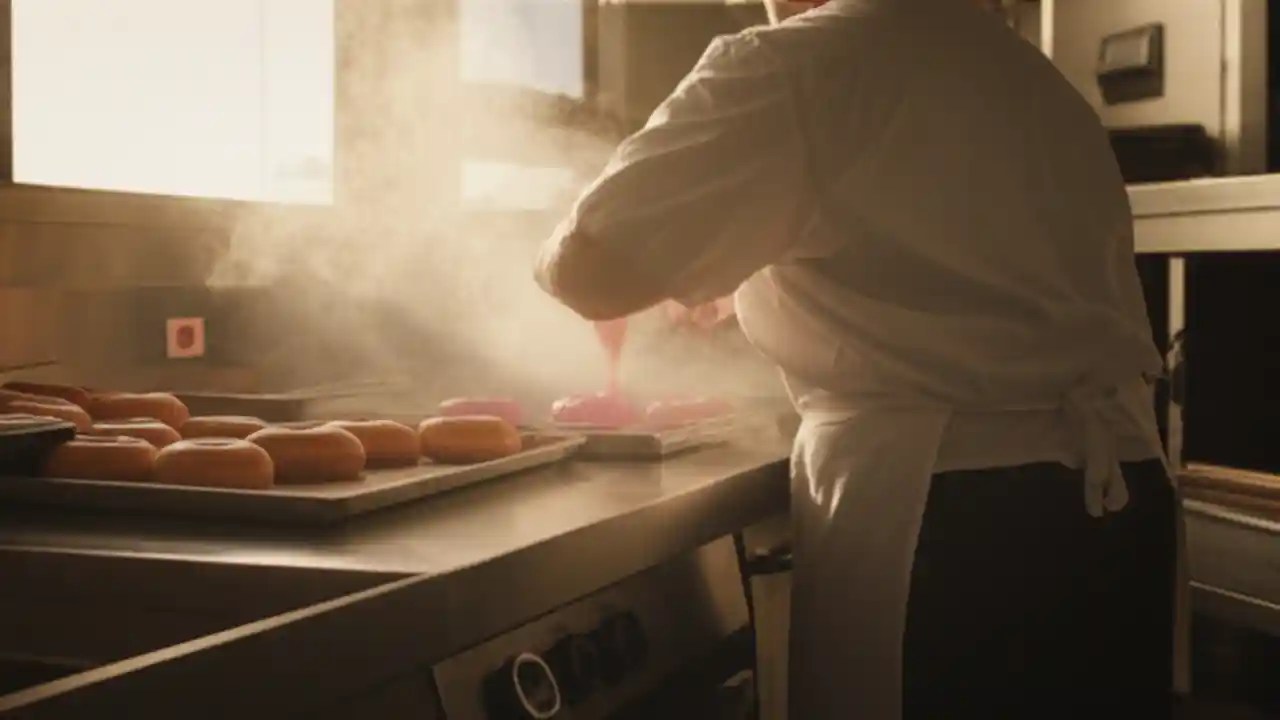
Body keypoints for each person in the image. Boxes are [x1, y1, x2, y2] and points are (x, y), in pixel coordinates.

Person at [534, 0, 1187, 717]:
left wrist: (559, 232)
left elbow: (588, 267)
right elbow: (934, 259)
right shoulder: (1027, 74)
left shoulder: (790, 64)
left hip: (948, 523)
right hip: (1120, 501)